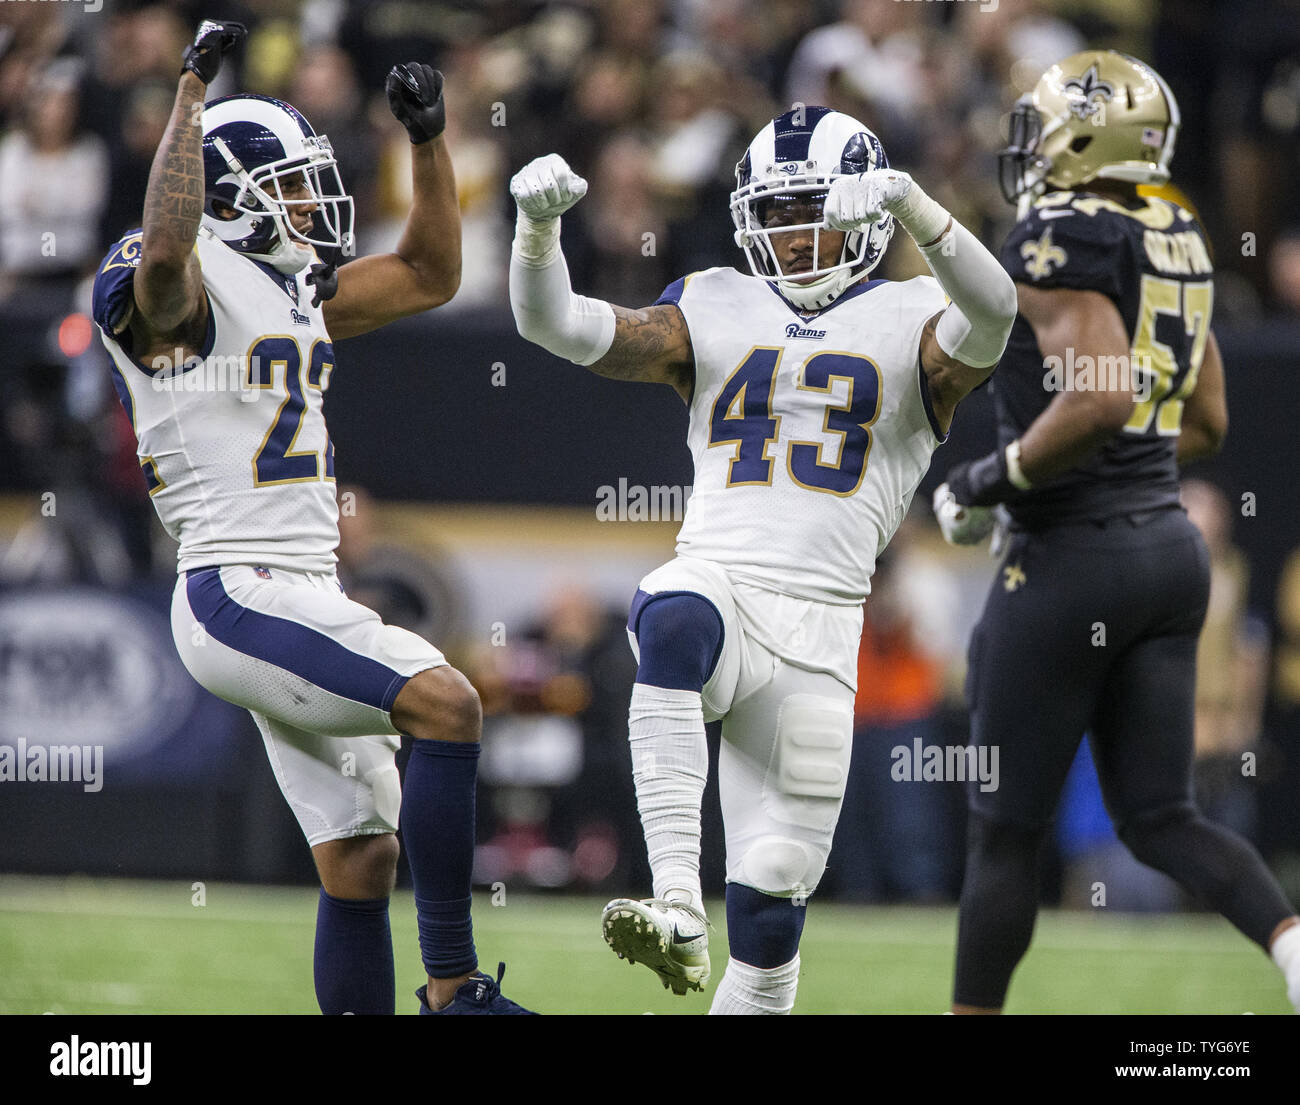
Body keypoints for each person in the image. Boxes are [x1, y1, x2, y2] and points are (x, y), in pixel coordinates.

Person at [509, 105, 1017, 1013]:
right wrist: (538, 231)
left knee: (772, 917)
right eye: (774, 212)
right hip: (723, 585)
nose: (789, 233)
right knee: (670, 613)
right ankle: (673, 899)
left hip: (823, 631)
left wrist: (921, 209)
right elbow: (561, 327)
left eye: (808, 208)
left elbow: (997, 312)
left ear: (863, 210)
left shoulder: (915, 314)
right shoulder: (713, 300)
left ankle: (723, 941)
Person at [90, 20, 532, 1015]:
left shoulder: (287, 287)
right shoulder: (175, 279)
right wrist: (192, 94)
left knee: (362, 861)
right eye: (286, 185)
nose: (308, 204)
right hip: (235, 589)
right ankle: (454, 987)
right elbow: (165, 256)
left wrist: (426, 143)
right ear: (228, 195)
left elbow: (429, 273)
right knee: (447, 701)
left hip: (298, 588)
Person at [934, 49, 1300, 1014]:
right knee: (1162, 815)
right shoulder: (1174, 224)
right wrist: (1122, 470)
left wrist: (992, 476)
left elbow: (1098, 398)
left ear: (1087, 135)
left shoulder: (1058, 231)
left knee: (1004, 832)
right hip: (1167, 553)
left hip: (1069, 556)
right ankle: (1297, 950)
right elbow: (1208, 419)